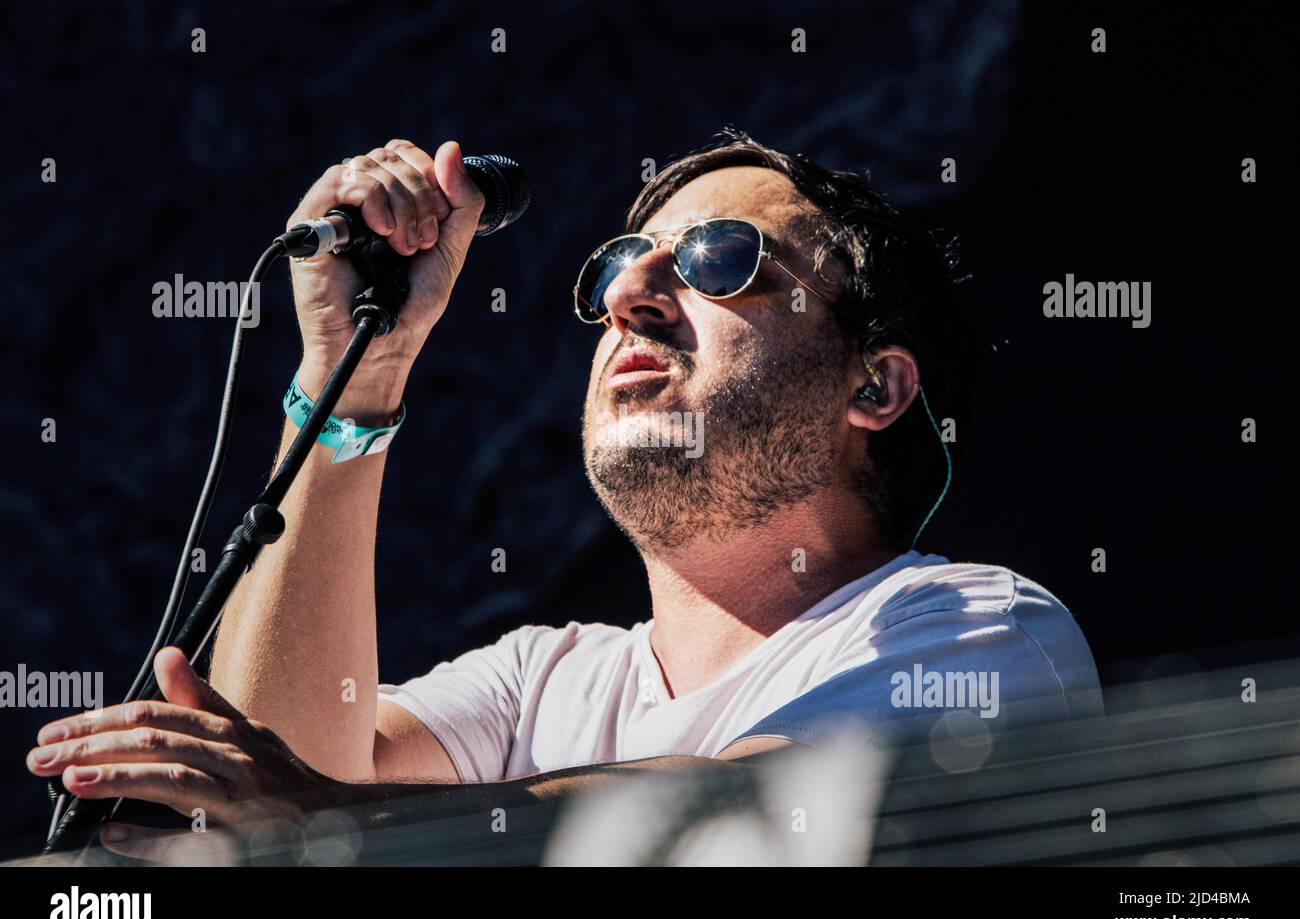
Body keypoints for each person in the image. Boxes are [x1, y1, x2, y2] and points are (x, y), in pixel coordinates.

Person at [27, 129, 1101, 857]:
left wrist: (330, 813)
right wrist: (351, 372)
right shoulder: (539, 681)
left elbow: (749, 816)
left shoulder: (977, 632)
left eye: (719, 259)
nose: (630, 292)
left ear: (874, 383)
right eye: (615, 268)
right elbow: (266, 799)